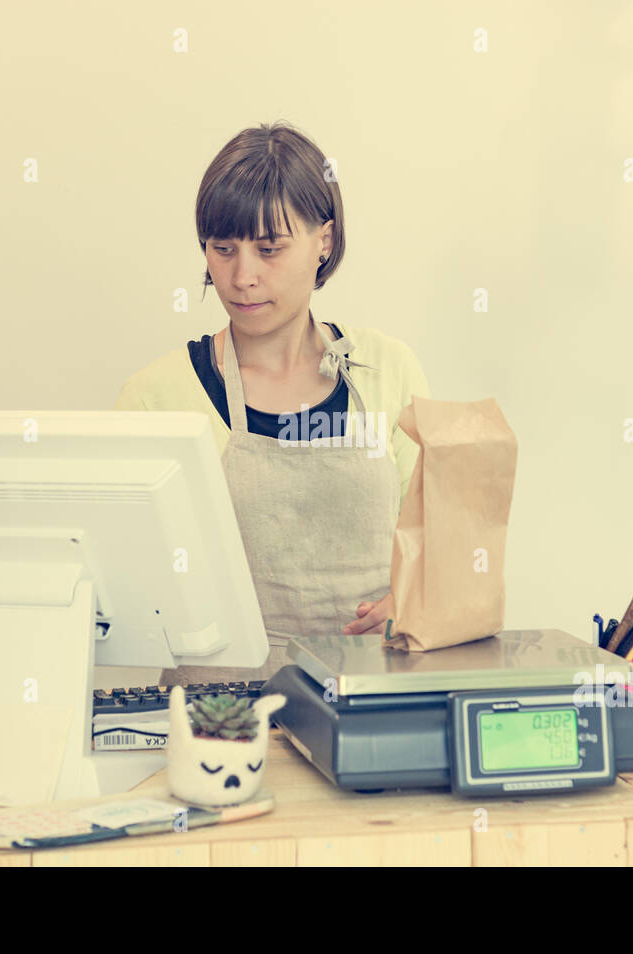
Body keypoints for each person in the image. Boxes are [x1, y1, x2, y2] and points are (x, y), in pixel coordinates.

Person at [114, 121, 430, 685]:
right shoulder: (156, 396)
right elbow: (128, 583)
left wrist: (416, 597)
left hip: (373, 696)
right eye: (223, 249)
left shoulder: (389, 370)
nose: (242, 277)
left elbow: (440, 537)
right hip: (218, 716)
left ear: (324, 242)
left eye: (269, 248)